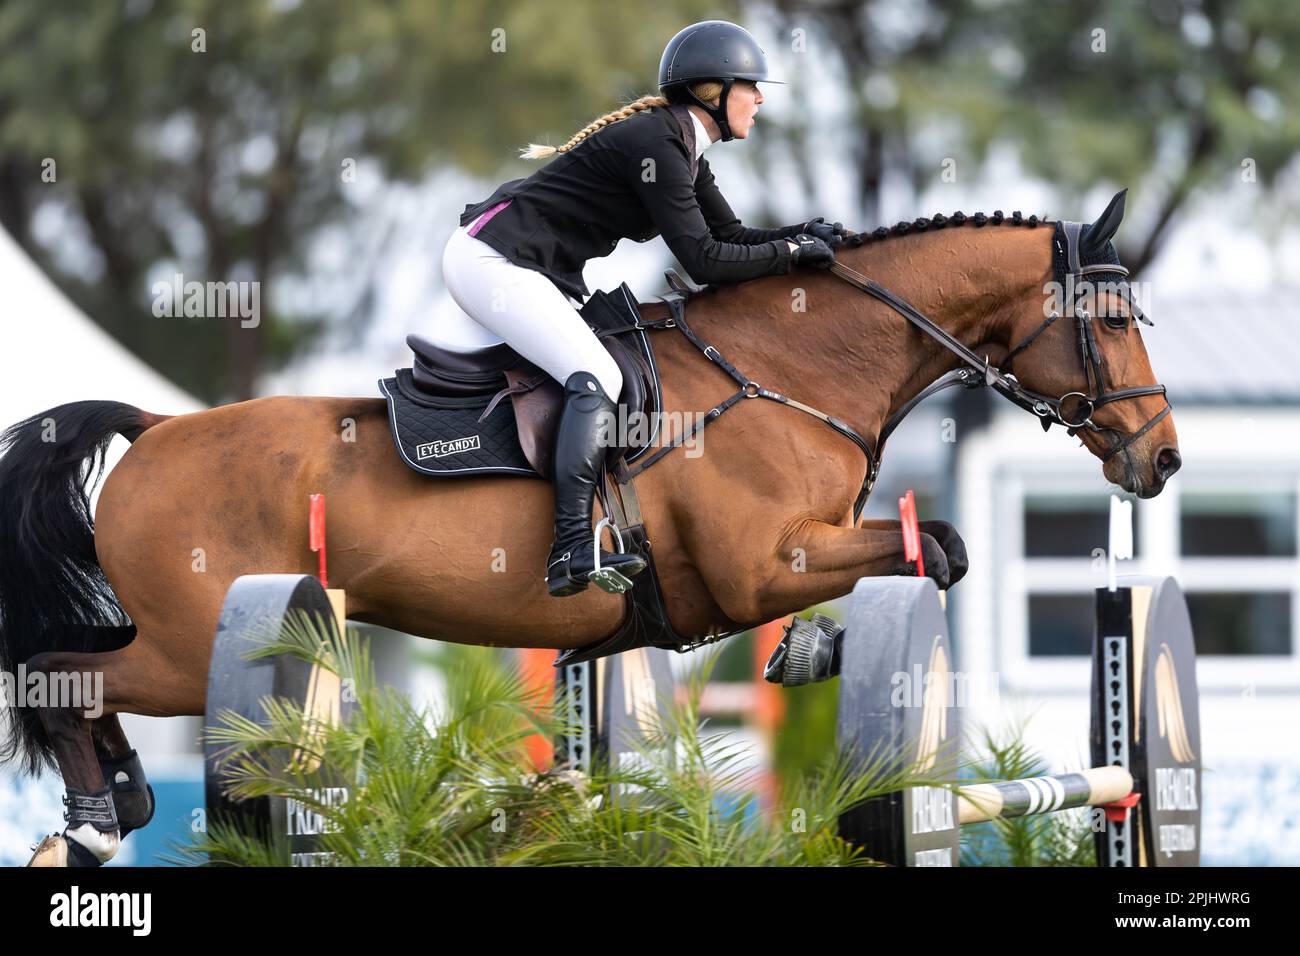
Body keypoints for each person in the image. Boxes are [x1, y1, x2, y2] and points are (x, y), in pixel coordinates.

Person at [439, 19, 845, 598]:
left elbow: (731, 233)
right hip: (491, 262)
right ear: (713, 91)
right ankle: (571, 549)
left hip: (520, 262)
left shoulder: (682, 146)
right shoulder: (658, 143)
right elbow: (705, 261)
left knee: (599, 369)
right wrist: (790, 254)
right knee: (597, 375)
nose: (759, 99)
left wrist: (801, 233)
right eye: (750, 86)